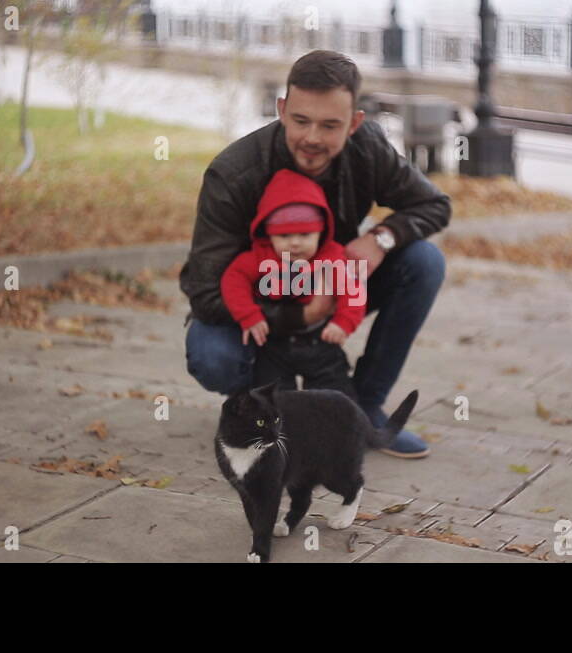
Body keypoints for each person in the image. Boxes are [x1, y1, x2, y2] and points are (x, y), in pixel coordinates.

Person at [181, 49, 451, 459]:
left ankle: (363, 406)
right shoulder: (234, 173)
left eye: (330, 125)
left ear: (355, 123)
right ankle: (259, 410)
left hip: (335, 280)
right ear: (282, 108)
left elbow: (435, 205)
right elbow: (204, 291)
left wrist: (380, 238)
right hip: (253, 302)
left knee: (424, 263)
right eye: (301, 120)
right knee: (213, 355)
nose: (312, 138)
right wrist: (296, 316)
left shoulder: (369, 149)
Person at [221, 167, 366, 402]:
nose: (295, 244)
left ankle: (342, 431)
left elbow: (354, 290)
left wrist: (344, 322)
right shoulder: (260, 257)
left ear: (321, 232)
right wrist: (249, 315)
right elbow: (234, 279)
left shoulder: (331, 257)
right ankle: (277, 433)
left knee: (336, 399)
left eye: (305, 234)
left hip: (321, 339)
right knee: (272, 402)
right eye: (284, 237)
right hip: (273, 343)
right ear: (269, 235)